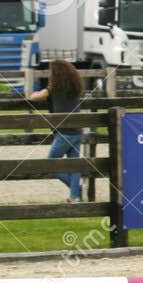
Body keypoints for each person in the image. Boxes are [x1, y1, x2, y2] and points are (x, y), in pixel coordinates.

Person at [27, 59, 87, 203]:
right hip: (77, 132)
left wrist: (32, 94)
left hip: (64, 133)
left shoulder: (54, 88)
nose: (49, 74)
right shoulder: (75, 87)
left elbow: (36, 97)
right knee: (74, 165)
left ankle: (78, 190)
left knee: (51, 164)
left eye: (51, 72)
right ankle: (74, 196)